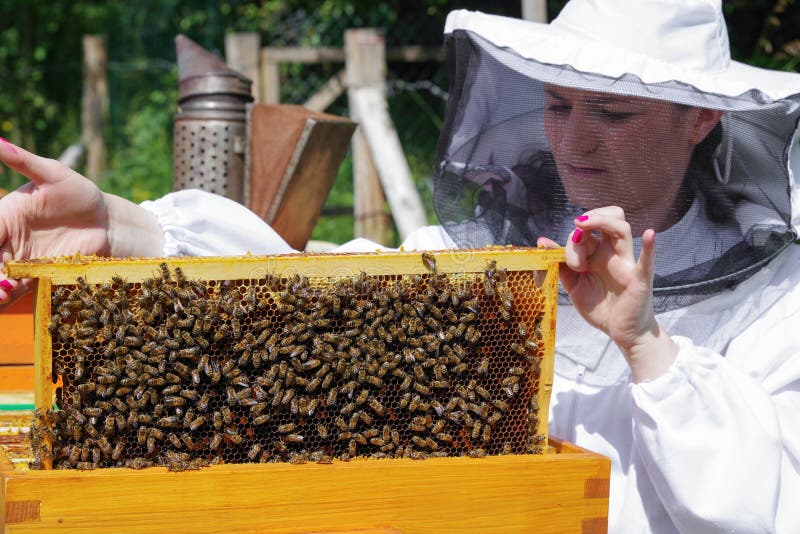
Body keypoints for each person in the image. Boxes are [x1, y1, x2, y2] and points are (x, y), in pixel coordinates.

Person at [1, 0, 799, 531]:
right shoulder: (492, 258)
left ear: (703, 117)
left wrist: (647, 346)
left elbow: (766, 506)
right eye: (557, 105)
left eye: (614, 112)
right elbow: (318, 289)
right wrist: (119, 223)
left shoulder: (775, 308)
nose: (574, 142)